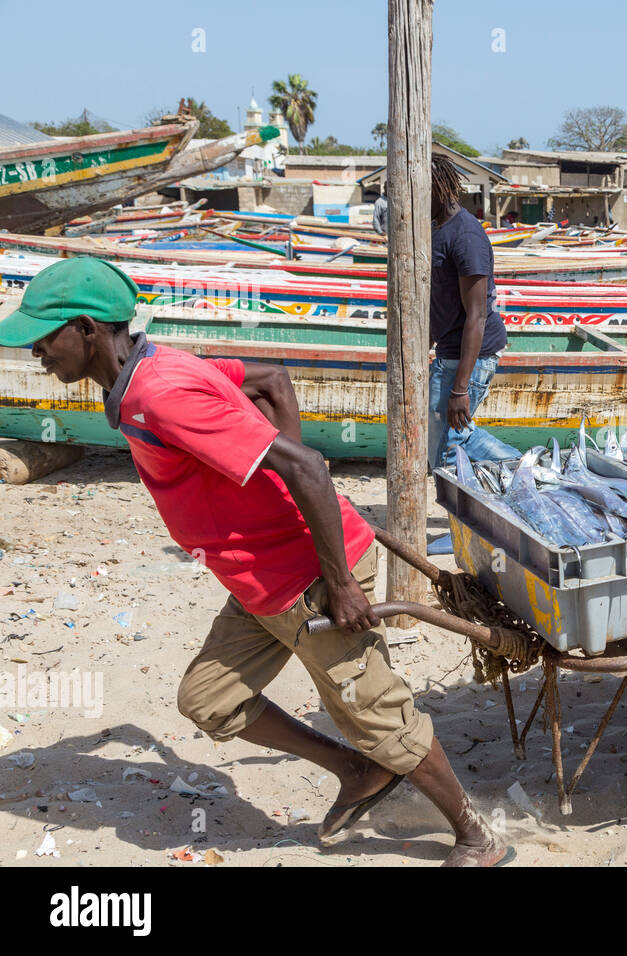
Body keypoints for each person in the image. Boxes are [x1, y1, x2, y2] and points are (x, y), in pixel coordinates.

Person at [0, 256, 510, 865]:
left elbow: (308, 466)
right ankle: (356, 772)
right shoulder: (152, 374)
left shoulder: (159, 395)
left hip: (308, 579)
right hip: (258, 583)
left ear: (86, 329)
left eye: (44, 338)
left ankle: (476, 836)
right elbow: (271, 378)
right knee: (209, 698)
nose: (36, 353)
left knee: (379, 717)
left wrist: (340, 581)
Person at [426, 156, 520, 554]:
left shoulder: (466, 235)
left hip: (471, 354)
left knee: (449, 443)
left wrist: (460, 387)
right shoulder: (437, 228)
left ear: (437, 189)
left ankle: (517, 470)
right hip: (447, 351)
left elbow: (477, 316)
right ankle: (515, 471)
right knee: (443, 440)